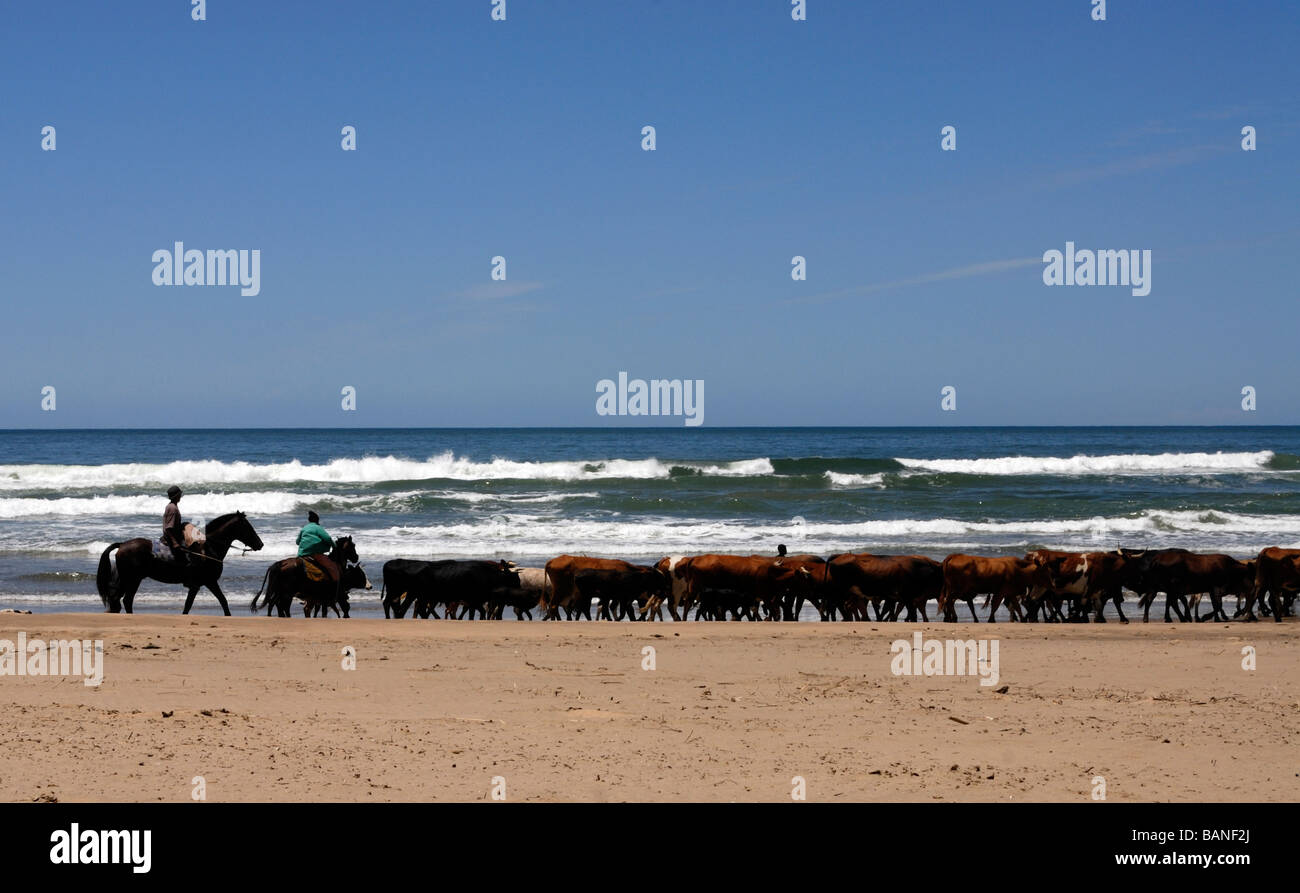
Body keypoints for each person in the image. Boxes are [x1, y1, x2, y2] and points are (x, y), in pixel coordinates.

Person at [162, 485, 195, 579]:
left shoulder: (172, 506)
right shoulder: (173, 508)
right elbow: (169, 528)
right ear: (176, 496)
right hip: (171, 538)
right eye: (179, 494)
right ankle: (185, 577)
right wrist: (175, 542)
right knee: (186, 558)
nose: (180, 496)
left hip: (174, 535)